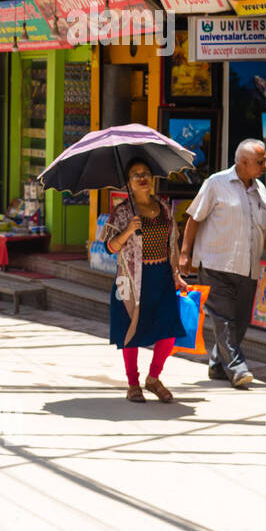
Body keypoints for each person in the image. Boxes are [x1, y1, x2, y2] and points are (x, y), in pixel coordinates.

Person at [179, 139, 266, 388]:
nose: (264, 166)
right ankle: (237, 369)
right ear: (242, 162)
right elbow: (194, 218)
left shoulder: (261, 190)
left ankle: (217, 364)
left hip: (248, 268)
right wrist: (184, 253)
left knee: (240, 322)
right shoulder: (216, 183)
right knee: (223, 320)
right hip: (216, 264)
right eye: (259, 162)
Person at [101, 159, 188, 402]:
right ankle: (133, 384)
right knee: (131, 331)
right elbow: (109, 247)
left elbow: (172, 245)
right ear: (128, 182)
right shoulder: (122, 212)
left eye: (146, 174)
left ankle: (153, 378)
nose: (142, 178)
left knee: (169, 330)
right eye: (136, 175)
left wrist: (176, 274)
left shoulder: (164, 208)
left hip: (160, 277)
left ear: (152, 179)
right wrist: (128, 230)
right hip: (130, 281)